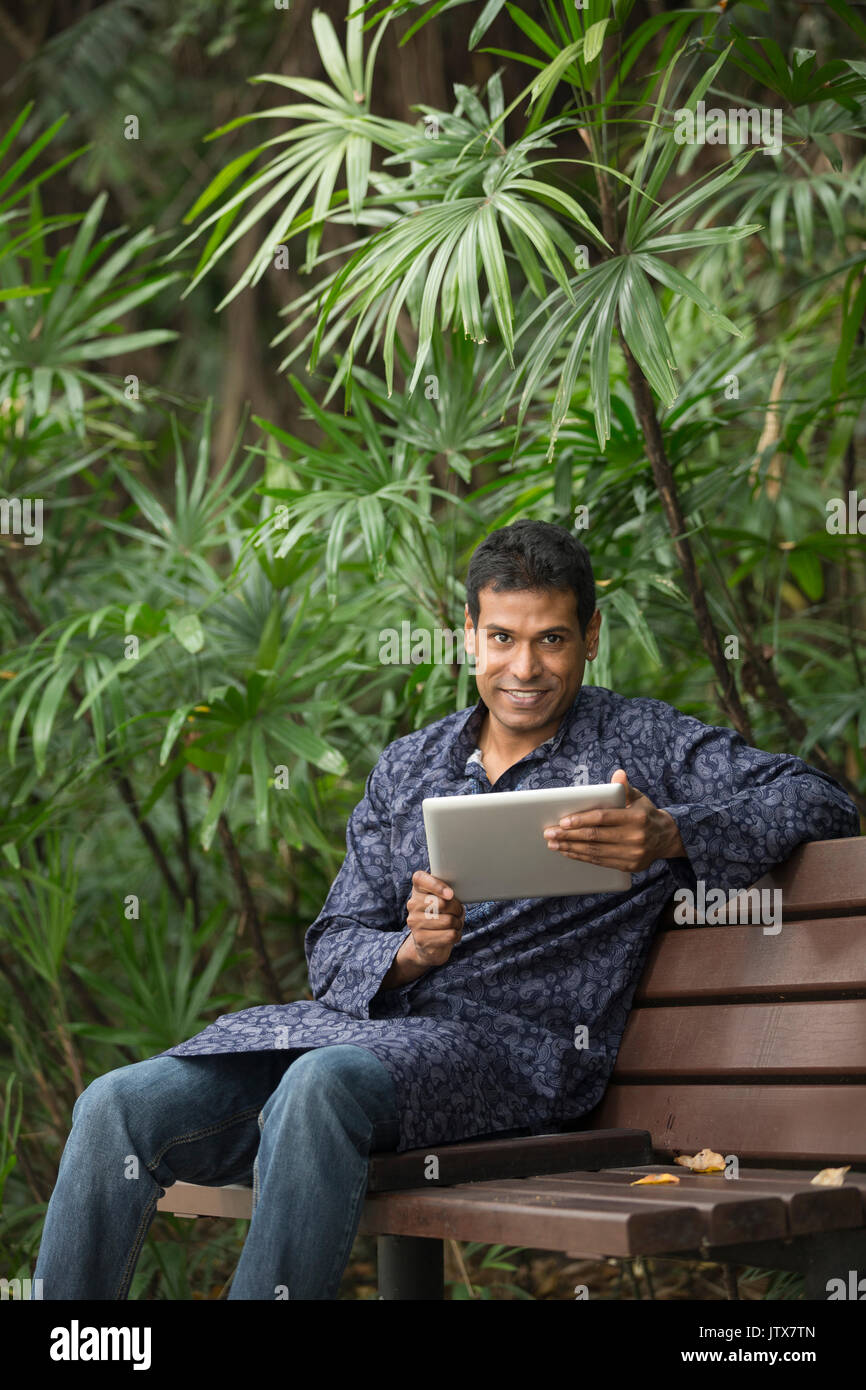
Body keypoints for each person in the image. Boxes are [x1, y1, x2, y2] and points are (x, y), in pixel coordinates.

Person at [33, 520, 860, 1299]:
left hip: (520, 1055)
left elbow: (821, 800)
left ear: (591, 638)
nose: (525, 668)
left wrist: (670, 832)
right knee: (115, 1104)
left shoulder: (639, 743)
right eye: (503, 638)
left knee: (319, 1086)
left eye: (552, 639)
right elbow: (334, 944)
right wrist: (411, 952)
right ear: (468, 635)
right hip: (378, 1046)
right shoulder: (412, 765)